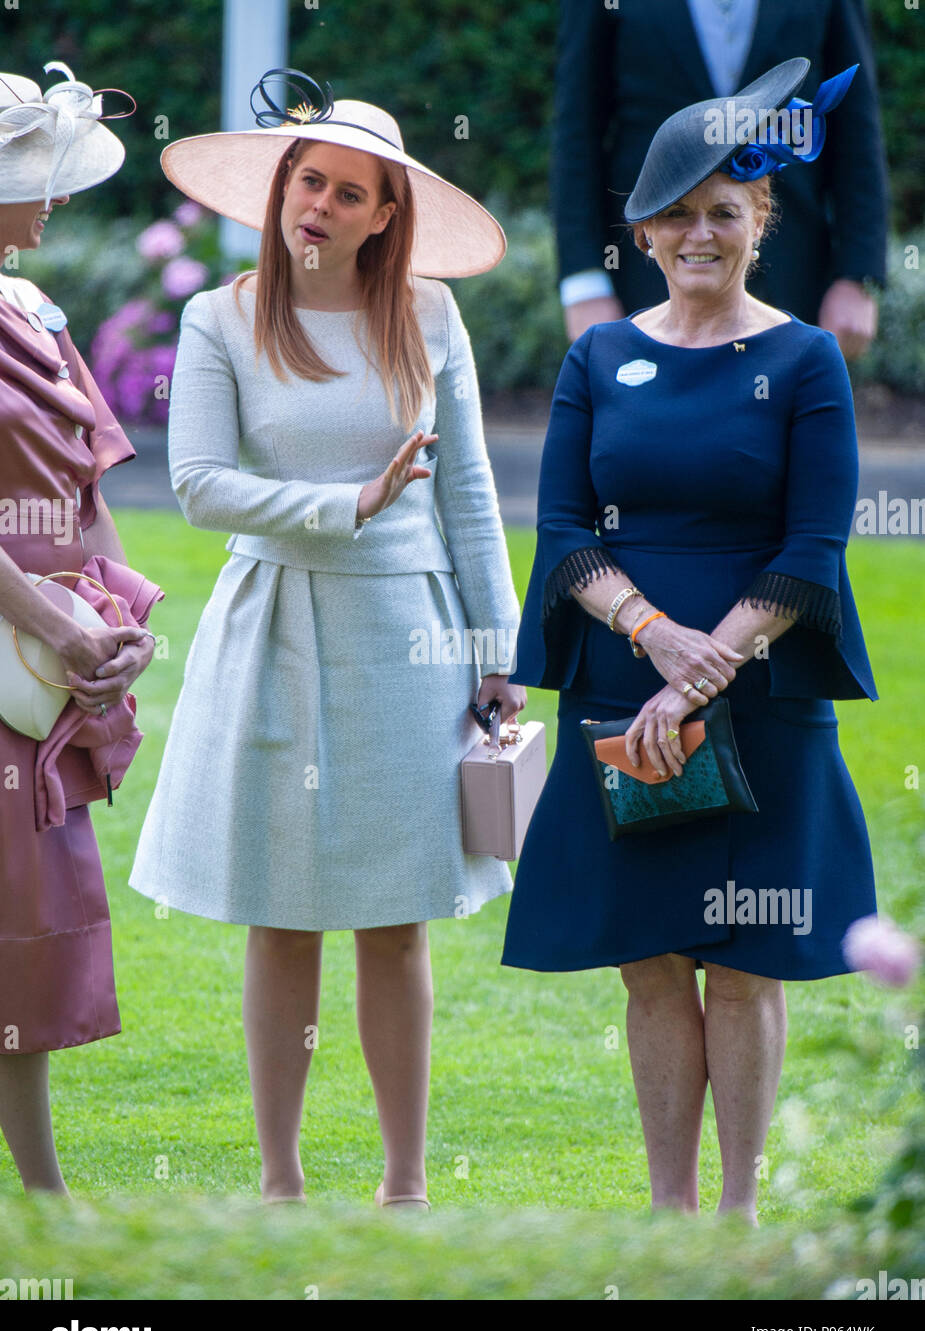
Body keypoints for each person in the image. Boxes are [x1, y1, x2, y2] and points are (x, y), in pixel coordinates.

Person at [129, 72, 525, 1208]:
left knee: (398, 917)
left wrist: (494, 646)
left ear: (386, 213)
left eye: (350, 193)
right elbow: (199, 488)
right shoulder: (219, 317)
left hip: (410, 631)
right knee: (283, 909)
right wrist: (343, 503)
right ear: (281, 186)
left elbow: (468, 493)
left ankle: (406, 1184)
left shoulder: (431, 317)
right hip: (276, 625)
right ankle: (280, 1179)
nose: (320, 205)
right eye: (309, 180)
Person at [502, 59, 878, 1224]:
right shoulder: (597, 357)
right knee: (652, 955)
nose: (698, 232)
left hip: (763, 694)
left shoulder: (804, 360)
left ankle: (737, 1215)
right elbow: (563, 528)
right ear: (645, 232)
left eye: (724, 210)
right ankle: (670, 1218)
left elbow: (814, 543)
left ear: (761, 222)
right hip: (623, 687)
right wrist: (657, 642)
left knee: (747, 954)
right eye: (677, 214)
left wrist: (710, 660)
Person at [0, 63, 161, 1193]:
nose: (51, 191)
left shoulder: (33, 310)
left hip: (44, 674)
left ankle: (47, 1197)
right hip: (19, 644)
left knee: (32, 923)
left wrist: (115, 614)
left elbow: (90, 496)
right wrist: (41, 612)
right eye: (28, 170)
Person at [554, 0, 889, 357]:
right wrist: (585, 281)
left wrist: (858, 275)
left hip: (794, 269)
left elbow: (856, 126)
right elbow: (578, 130)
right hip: (648, 275)